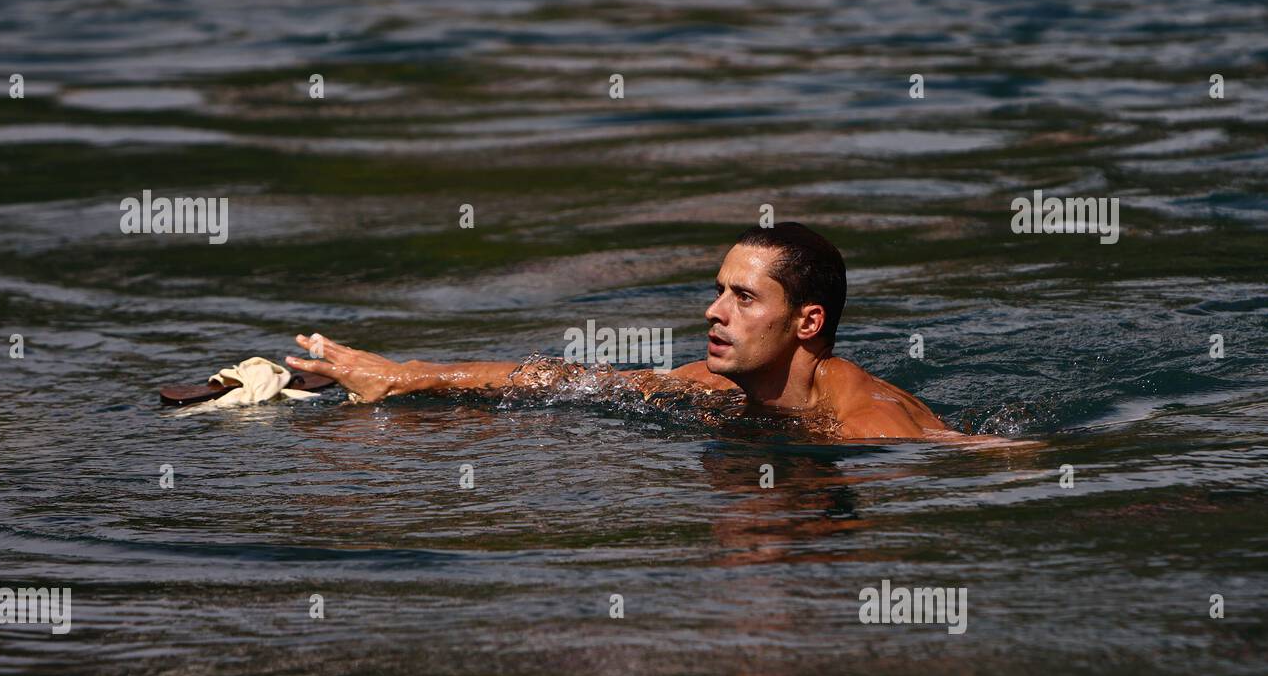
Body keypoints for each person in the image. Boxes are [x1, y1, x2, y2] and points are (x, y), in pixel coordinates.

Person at [285, 222, 956, 440]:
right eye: (718, 290)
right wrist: (401, 376)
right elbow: (565, 381)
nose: (713, 312)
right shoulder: (713, 390)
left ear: (808, 322)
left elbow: (965, 463)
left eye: (743, 297)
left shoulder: (869, 421)